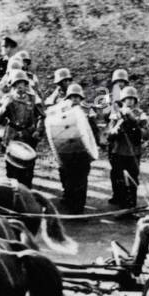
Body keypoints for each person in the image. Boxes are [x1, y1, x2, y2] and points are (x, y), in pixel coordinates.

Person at [49, 83, 96, 213]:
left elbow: (93, 130)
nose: (74, 99)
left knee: (81, 179)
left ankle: (79, 206)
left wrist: (94, 146)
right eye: (72, 97)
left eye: (77, 97)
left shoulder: (88, 110)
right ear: (67, 98)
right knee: (68, 177)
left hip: (83, 150)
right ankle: (69, 199)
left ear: (81, 98)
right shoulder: (62, 110)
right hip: (66, 150)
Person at [107, 85, 146, 208]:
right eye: (127, 99)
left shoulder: (140, 114)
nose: (129, 101)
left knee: (133, 177)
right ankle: (121, 202)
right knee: (119, 178)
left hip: (134, 151)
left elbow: (146, 131)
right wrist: (116, 129)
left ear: (135, 101)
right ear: (122, 101)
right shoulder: (116, 114)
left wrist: (135, 127)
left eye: (132, 99)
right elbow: (109, 132)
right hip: (119, 150)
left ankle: (131, 203)